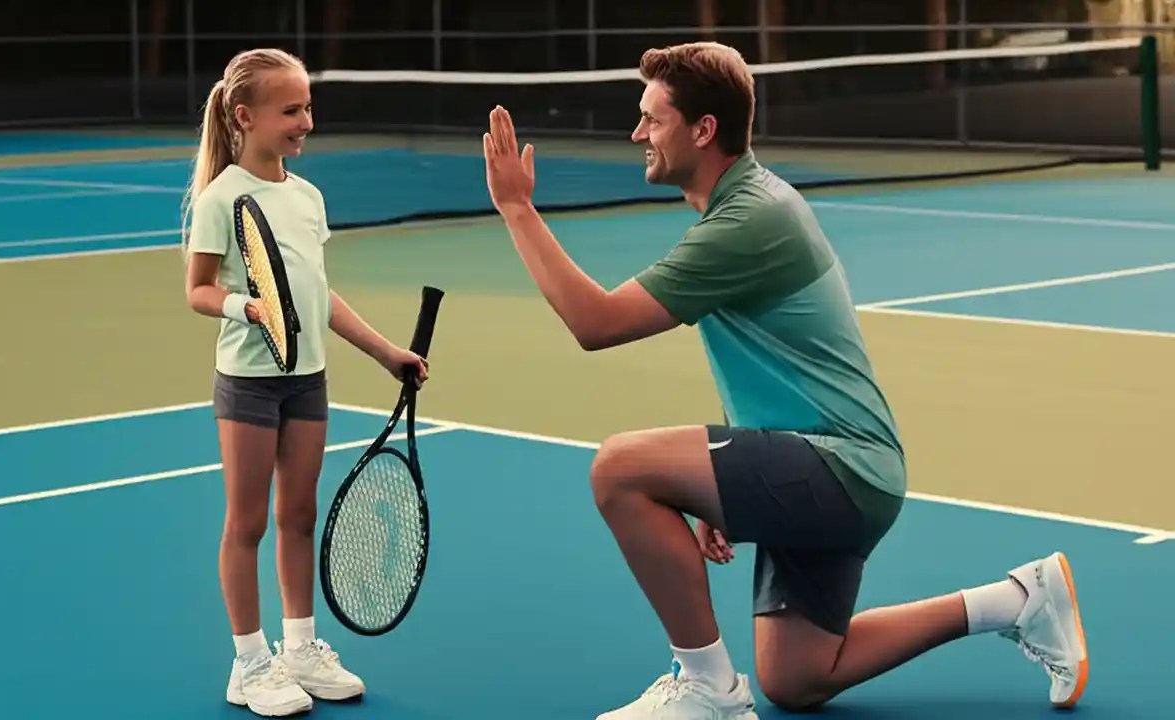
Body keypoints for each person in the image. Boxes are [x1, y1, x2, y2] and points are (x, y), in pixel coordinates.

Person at [481, 41, 1087, 720]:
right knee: (797, 678)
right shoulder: (746, 208)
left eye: (652, 118)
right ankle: (1019, 599)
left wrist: (516, 209)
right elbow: (778, 368)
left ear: (703, 130)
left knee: (619, 469)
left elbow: (596, 323)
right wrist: (725, 488)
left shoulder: (748, 220)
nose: (638, 133)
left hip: (839, 468)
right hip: (845, 471)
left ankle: (708, 685)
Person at [182, 48, 429, 717]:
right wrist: (245, 307)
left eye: (307, 108)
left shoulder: (307, 198)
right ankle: (250, 663)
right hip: (249, 383)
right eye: (291, 110)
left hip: (308, 379)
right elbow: (198, 290)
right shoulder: (220, 200)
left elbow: (318, 295)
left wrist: (386, 352)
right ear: (245, 116)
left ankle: (300, 649)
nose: (305, 122)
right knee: (249, 522)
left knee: (298, 515)